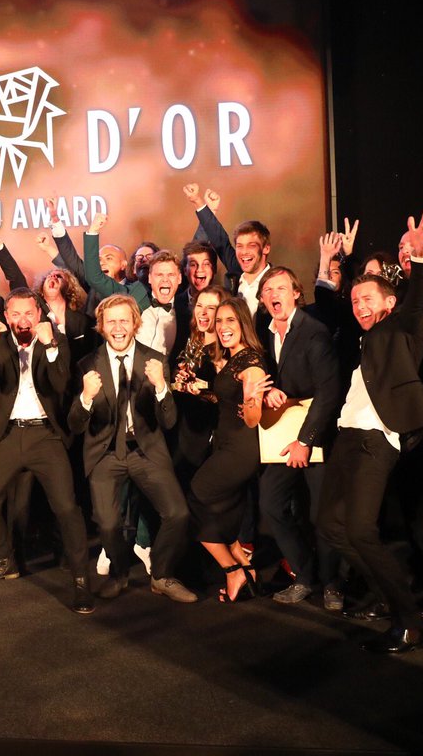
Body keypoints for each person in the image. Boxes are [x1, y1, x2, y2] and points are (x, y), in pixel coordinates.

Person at [317, 213, 423, 653]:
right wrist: (341, 266)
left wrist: (421, 260)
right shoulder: (365, 337)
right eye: (355, 301)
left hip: (375, 441)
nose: (359, 306)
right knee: (330, 526)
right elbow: (338, 303)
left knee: (360, 530)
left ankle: (409, 623)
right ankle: (390, 591)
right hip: (347, 437)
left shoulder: (403, 327)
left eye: (368, 299)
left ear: (389, 301)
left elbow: (417, 300)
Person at [0, 288, 93, 615]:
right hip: (8, 435)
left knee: (67, 508)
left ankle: (81, 580)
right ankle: (4, 559)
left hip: (45, 436)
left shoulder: (55, 340)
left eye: (28, 313)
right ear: (6, 316)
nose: (22, 320)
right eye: (16, 314)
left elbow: (61, 384)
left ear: (39, 314)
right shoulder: (0, 342)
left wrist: (50, 345)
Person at [69, 295, 195, 603]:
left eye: (124, 320)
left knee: (178, 513)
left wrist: (161, 386)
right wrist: (86, 398)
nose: (118, 327)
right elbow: (75, 424)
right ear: (101, 326)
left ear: (135, 323)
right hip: (106, 452)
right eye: (111, 321)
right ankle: (119, 573)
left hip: (145, 449)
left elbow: (168, 421)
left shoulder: (155, 360)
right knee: (107, 523)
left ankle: (161, 575)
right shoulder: (87, 364)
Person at [255, 266, 342, 608]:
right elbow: (263, 375)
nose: (273, 294)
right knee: (270, 502)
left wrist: (306, 441)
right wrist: (268, 391)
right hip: (283, 431)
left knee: (322, 514)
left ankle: (333, 583)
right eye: (267, 290)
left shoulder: (314, 332)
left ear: (295, 293)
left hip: (315, 435)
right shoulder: (264, 332)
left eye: (280, 288)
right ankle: (305, 575)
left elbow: (329, 393)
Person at [189, 297, 271, 602]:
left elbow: (252, 419)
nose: (223, 327)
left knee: (197, 494)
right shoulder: (235, 357)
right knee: (224, 509)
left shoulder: (251, 363)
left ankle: (232, 567)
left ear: (243, 324)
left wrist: (251, 400)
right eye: (219, 321)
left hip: (239, 450)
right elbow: (225, 399)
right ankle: (245, 567)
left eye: (230, 321)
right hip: (227, 444)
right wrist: (200, 392)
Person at [171, 286, 227, 495]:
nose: (203, 312)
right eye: (199, 306)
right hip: (183, 426)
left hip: (207, 433)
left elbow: (225, 397)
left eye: (211, 308)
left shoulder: (227, 348)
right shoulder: (193, 339)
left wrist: (202, 389)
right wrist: (179, 379)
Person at [183, 184, 271, 314]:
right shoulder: (236, 272)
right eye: (239, 246)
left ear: (266, 248)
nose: (244, 252)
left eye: (251, 245)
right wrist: (198, 201)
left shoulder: (278, 281)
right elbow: (220, 240)